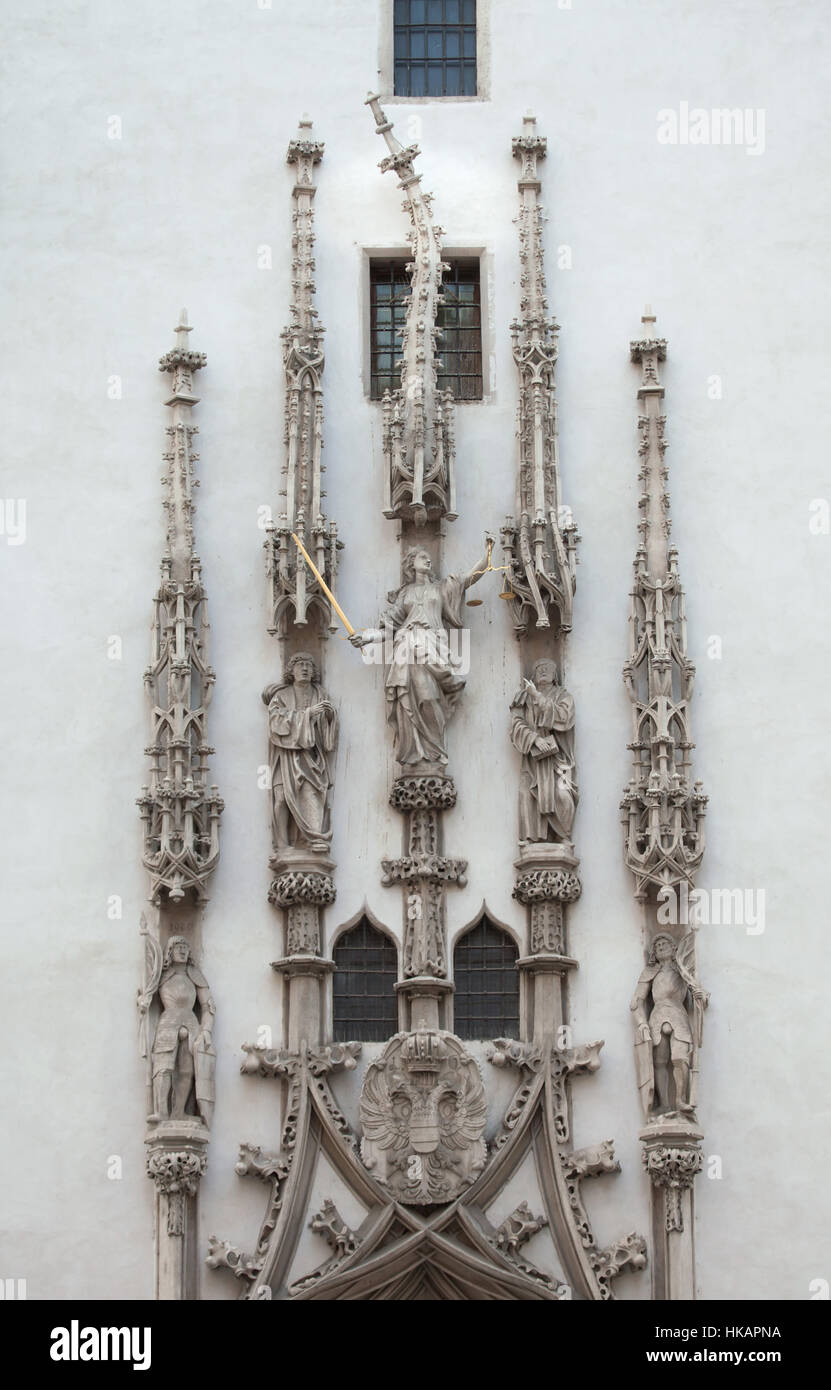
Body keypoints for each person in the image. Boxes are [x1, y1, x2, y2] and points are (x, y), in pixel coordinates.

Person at [350, 539, 492, 767]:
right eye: (421, 557)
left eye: (428, 557)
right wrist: (366, 638)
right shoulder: (405, 594)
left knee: (429, 697)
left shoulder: (441, 588)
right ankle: (416, 752)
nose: (428, 559)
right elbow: (389, 629)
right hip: (406, 647)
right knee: (410, 698)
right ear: (411, 565)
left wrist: (487, 556)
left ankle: (434, 750)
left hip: (433, 646)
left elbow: (467, 579)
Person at [264, 651, 338, 854]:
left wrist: (329, 717)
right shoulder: (281, 696)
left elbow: (328, 728)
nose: (305, 669)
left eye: (308, 665)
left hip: (311, 757)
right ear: (291, 671)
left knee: (311, 794)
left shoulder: (320, 694)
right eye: (300, 665)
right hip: (285, 756)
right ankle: (281, 843)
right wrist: (307, 715)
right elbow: (275, 722)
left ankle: (313, 838)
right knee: (281, 797)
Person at [630, 932, 707, 1118]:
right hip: (657, 1016)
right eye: (657, 945)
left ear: (674, 949)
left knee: (680, 1059)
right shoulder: (649, 972)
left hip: (678, 1015)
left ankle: (680, 1100)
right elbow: (636, 1002)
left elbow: (698, 996)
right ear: (653, 953)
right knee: (659, 1061)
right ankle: (664, 1104)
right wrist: (641, 1023)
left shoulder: (683, 971)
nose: (661, 947)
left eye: (665, 943)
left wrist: (700, 996)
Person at [147, 936, 215, 1127]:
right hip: (168, 1022)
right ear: (170, 951)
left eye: (186, 946)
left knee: (187, 1070)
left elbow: (208, 1006)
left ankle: (179, 1111)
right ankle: (161, 1111)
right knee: (164, 1066)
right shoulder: (162, 975)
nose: (183, 950)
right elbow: (148, 994)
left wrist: (207, 1030)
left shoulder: (195, 976)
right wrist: (143, 1002)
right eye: (178, 946)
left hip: (191, 1023)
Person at [510, 657, 577, 844]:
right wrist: (535, 739)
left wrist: (537, 696)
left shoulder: (564, 696)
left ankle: (563, 835)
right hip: (533, 760)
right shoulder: (523, 698)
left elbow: (563, 718)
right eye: (539, 668)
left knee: (562, 795)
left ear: (555, 675)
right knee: (527, 794)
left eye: (548, 668)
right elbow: (516, 724)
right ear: (533, 675)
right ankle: (531, 838)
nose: (543, 671)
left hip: (559, 760)